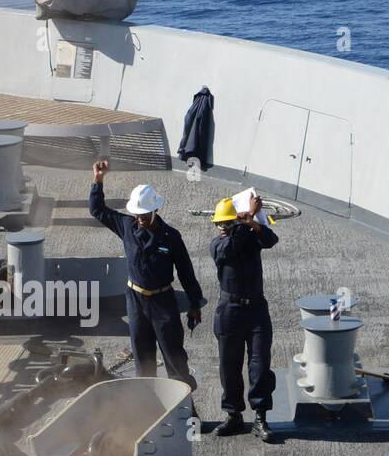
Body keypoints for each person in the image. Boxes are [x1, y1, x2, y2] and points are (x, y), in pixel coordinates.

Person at [89, 158, 202, 385]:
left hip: (163, 302)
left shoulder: (171, 237)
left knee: (173, 355)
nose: (139, 218)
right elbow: (97, 210)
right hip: (136, 300)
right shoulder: (127, 226)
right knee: (142, 356)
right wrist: (98, 180)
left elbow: (186, 272)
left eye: (144, 214)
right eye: (136, 214)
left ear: (155, 209)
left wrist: (194, 303)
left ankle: (183, 398)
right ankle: (146, 398)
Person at [209, 194, 277, 440]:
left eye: (227, 223)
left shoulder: (249, 236)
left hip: (256, 310)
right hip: (230, 310)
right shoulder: (218, 245)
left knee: (260, 365)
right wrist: (248, 219)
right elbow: (230, 248)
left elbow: (270, 239)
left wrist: (253, 223)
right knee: (229, 366)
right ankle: (233, 415)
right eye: (219, 223)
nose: (222, 227)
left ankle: (260, 417)